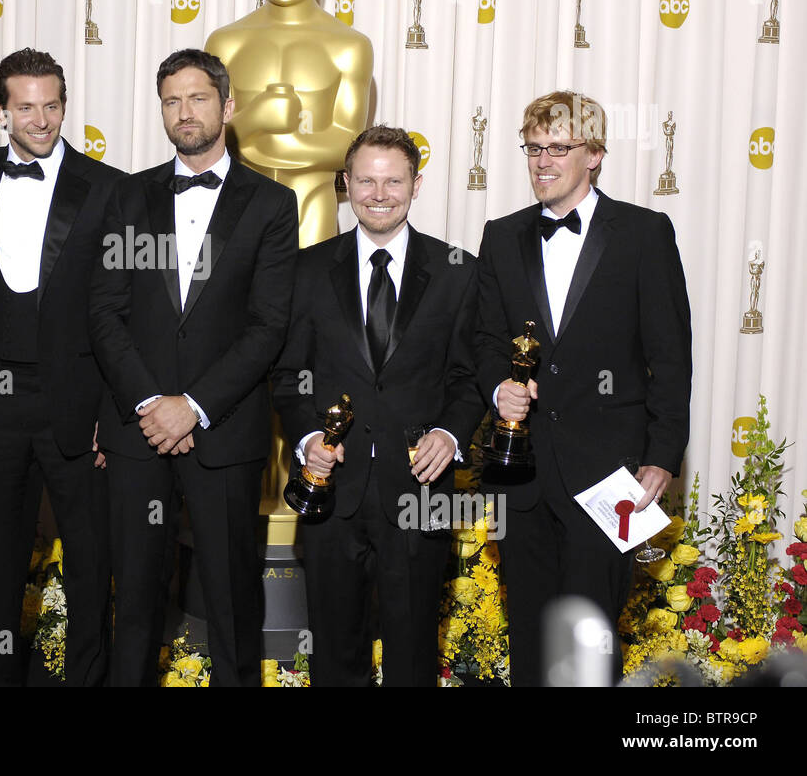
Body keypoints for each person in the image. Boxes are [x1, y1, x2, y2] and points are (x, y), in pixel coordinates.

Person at [90, 48, 298, 686]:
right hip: (138, 433)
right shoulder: (126, 195)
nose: (185, 112)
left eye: (198, 98)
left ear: (228, 106)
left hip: (224, 432)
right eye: (172, 101)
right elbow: (105, 312)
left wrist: (195, 406)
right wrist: (151, 404)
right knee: (135, 603)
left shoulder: (270, 202)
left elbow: (268, 326)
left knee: (231, 599)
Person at [475, 90, 691, 686]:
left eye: (560, 148)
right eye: (534, 148)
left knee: (591, 640)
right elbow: (486, 341)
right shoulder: (501, 236)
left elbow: (670, 356)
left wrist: (662, 456)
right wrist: (499, 389)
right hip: (521, 471)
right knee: (530, 637)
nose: (543, 161)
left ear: (595, 154)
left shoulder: (644, 233)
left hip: (609, 473)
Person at [0, 48, 122, 686]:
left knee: (91, 559)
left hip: (78, 404)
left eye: (51, 106)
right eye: (25, 107)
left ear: (64, 106)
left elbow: (123, 312)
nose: (40, 120)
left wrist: (113, 412)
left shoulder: (107, 187)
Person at [272, 126, 483, 686]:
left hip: (419, 491)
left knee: (413, 657)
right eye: (366, 180)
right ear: (345, 184)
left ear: (417, 184)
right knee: (335, 658)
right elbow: (287, 376)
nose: (380, 193)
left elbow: (470, 377)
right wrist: (306, 439)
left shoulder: (461, 270)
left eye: (394, 180)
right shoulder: (306, 270)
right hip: (331, 494)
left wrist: (452, 434)